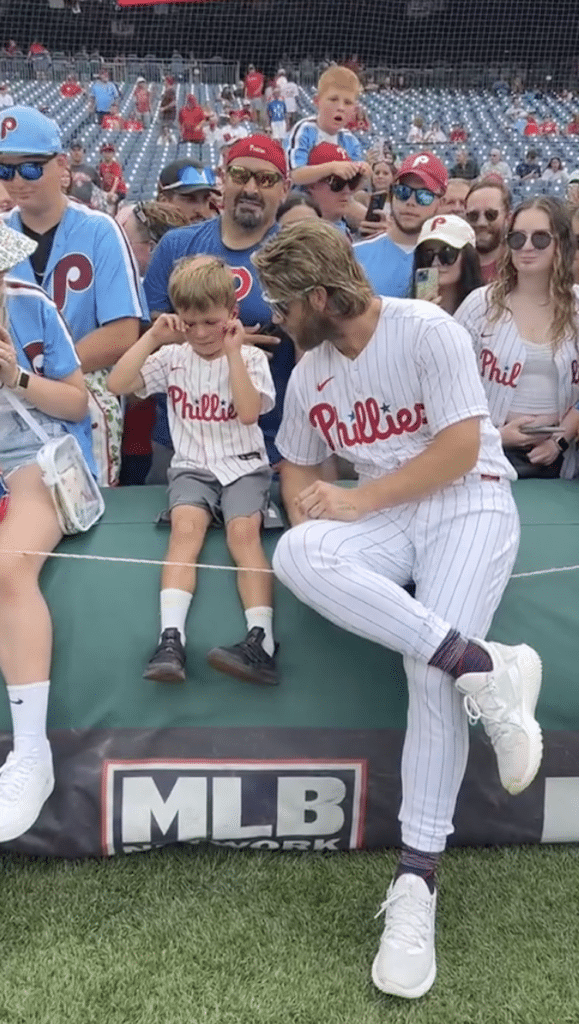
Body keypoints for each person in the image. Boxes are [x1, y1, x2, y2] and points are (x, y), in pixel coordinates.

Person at [252, 219, 543, 1001]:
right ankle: (482, 664)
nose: (275, 317)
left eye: (283, 304)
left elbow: (456, 448)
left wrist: (356, 501)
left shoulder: (421, 328)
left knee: (425, 674)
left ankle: (416, 884)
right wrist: (321, 518)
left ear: (317, 296)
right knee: (296, 553)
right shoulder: (310, 371)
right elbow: (297, 467)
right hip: (386, 519)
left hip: (467, 501)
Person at [109, 256, 278, 685]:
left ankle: (263, 641)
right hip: (192, 467)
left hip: (242, 464)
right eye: (191, 322)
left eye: (211, 321)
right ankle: (171, 638)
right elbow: (117, 383)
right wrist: (152, 338)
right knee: (186, 529)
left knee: (244, 532)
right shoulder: (174, 357)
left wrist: (236, 352)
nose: (201, 333)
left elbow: (246, 413)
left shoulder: (251, 359)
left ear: (232, 316)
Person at [0, 220, 96, 843]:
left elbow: (79, 403)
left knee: (8, 568)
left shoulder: (32, 306)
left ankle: (32, 753)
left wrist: (16, 378)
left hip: (41, 459)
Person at [0, 107, 147, 486]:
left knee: (91, 420)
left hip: (82, 383)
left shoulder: (101, 230)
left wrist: (45, 374)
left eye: (30, 167)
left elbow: (122, 333)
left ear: (61, 164)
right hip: (7, 387)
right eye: (5, 169)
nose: (16, 180)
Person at [144, 135, 292, 480]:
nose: (251, 188)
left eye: (266, 179)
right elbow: (153, 327)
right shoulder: (177, 244)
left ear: (284, 189)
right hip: (182, 444)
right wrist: (223, 343)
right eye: (240, 175)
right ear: (222, 179)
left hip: (267, 442)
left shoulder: (294, 254)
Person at [455, 197, 579, 479]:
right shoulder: (480, 304)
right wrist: (498, 436)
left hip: (560, 455)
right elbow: (450, 384)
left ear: (560, 243)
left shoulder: (576, 306)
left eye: (540, 239)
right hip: (486, 453)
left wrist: (560, 440)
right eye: (518, 238)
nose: (526, 247)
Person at [354, 152, 447, 297]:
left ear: (440, 204)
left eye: (423, 196)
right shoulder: (355, 255)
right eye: (403, 191)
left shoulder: (450, 261)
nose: (410, 201)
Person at [287, 66, 367, 188]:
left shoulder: (350, 140)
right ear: (317, 101)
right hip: (302, 199)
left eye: (348, 102)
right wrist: (331, 168)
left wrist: (364, 174)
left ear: (354, 110)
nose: (340, 107)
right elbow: (294, 175)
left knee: (362, 198)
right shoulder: (304, 130)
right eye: (333, 99)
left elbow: (352, 188)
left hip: (336, 199)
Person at [410, 214, 483, 314]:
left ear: (468, 257)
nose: (436, 263)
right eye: (427, 255)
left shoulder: (484, 309)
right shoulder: (408, 310)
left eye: (447, 254)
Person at [303, 142, 367, 235]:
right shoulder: (303, 236)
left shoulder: (349, 228)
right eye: (337, 183)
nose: (347, 191)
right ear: (312, 185)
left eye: (352, 182)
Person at [465, 179, 511, 283]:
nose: (481, 223)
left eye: (491, 215)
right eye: (473, 216)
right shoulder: (452, 266)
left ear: (508, 218)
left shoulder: (520, 267)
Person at [157, 159, 220, 225]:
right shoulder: (147, 234)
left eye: (205, 199)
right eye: (190, 199)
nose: (201, 210)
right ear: (164, 202)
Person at [355, 159, 393, 238]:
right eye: (377, 173)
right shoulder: (361, 196)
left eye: (385, 173)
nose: (380, 176)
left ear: (393, 178)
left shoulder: (398, 202)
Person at [68, 142, 100, 206]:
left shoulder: (91, 170)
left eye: (79, 150)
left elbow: (99, 188)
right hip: (70, 205)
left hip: (87, 206)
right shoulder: (66, 170)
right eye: (74, 150)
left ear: (83, 152)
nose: (76, 153)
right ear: (70, 153)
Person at [98, 142, 127, 212]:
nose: (108, 154)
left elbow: (116, 180)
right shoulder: (101, 165)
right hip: (108, 190)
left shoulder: (116, 165)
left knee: (112, 199)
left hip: (119, 191)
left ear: (113, 153)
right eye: (106, 152)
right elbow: (101, 179)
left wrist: (111, 192)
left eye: (110, 152)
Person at [158, 76, 177, 144]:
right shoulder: (166, 90)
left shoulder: (171, 90)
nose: (164, 82)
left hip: (169, 114)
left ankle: (171, 142)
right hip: (165, 114)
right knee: (164, 129)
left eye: (165, 81)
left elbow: (173, 102)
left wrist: (164, 108)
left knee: (166, 129)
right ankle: (166, 142)